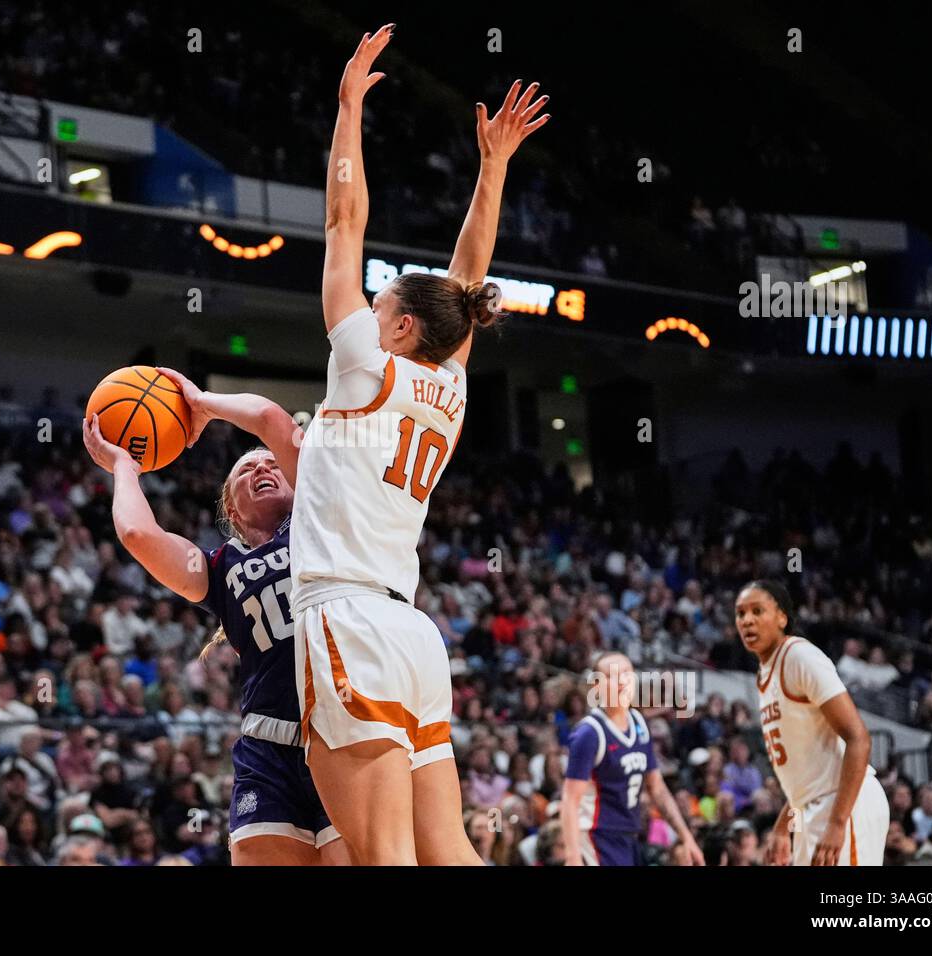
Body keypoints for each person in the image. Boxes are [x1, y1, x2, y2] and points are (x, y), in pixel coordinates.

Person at [290, 25, 548, 865]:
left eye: (378, 303)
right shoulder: (452, 381)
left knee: (387, 860)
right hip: (410, 636)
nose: (364, 308)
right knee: (450, 853)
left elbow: (342, 217)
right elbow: (470, 283)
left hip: (348, 618)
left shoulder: (365, 363)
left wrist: (347, 110)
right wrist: (495, 167)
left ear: (398, 328)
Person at [83, 373, 348, 866]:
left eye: (273, 464)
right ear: (230, 504)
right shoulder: (220, 569)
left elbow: (273, 422)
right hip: (268, 749)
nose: (265, 466)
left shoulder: (320, 513)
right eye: (249, 469)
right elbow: (139, 535)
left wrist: (203, 403)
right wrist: (123, 467)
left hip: (343, 731)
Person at [736, 579, 890, 866]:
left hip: (844, 804)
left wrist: (837, 823)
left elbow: (859, 738)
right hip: (812, 807)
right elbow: (806, 774)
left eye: (758, 611)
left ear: (782, 617)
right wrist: (783, 826)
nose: (747, 620)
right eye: (740, 613)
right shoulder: (764, 676)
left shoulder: (799, 656)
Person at [559, 652, 703, 866]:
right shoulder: (589, 733)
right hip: (596, 838)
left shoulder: (639, 723)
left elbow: (657, 788)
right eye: (612, 675)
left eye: (626, 673)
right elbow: (570, 800)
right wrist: (572, 857)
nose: (621, 680)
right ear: (597, 686)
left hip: (629, 836)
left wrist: (686, 836)